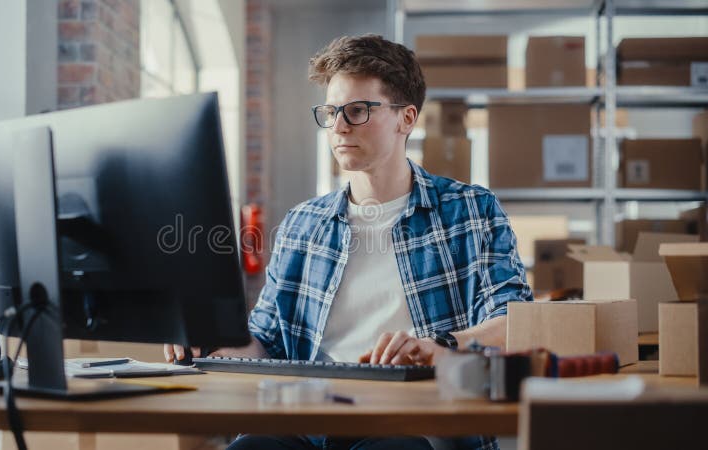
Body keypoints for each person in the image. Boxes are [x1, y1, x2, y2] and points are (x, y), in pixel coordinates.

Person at [165, 34, 532, 450]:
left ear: (405, 118)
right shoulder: (303, 223)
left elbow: (516, 321)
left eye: (357, 111)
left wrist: (439, 347)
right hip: (309, 418)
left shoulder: (470, 211)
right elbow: (264, 343)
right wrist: (208, 342)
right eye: (331, 112)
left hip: (415, 421)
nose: (338, 126)